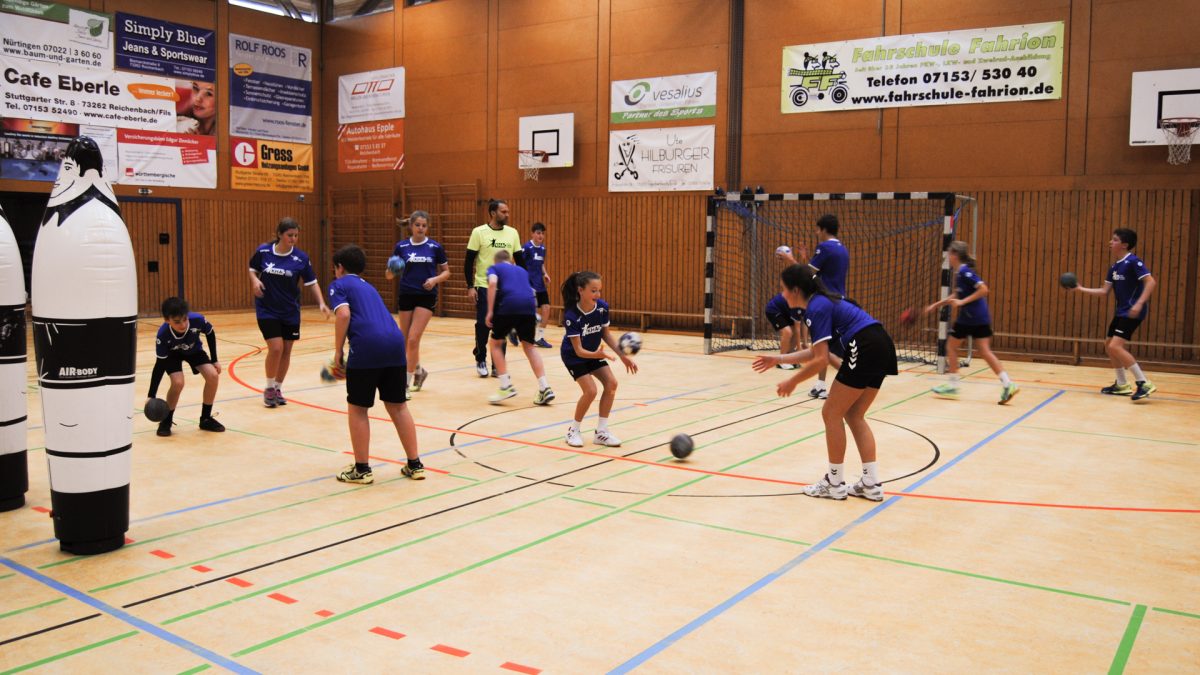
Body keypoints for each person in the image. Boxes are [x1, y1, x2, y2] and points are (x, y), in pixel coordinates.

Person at [752, 264, 897, 502]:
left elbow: (820, 360)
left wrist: (792, 381)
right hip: (881, 343)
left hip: (864, 345)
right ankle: (871, 483)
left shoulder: (816, 308)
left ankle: (834, 483)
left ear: (796, 290)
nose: (782, 295)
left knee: (831, 412)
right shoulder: (822, 303)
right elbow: (818, 353)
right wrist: (777, 358)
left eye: (783, 289)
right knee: (854, 415)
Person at [328, 245, 425, 485]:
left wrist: (338, 351)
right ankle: (415, 465)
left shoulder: (338, 285)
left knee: (358, 408)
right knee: (399, 407)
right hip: (395, 345)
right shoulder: (368, 286)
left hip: (367, 348)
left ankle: (361, 469)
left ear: (339, 268)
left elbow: (343, 315)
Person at [249, 217, 330, 407]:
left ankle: (278, 388)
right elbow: (252, 269)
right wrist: (254, 280)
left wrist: (321, 303)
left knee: (286, 351)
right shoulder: (264, 251)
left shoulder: (301, 258)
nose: (293, 239)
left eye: (296, 236)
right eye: (289, 235)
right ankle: (269, 388)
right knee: (275, 348)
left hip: (290, 311)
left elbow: (312, 283)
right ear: (279, 234)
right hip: (267, 309)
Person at [923, 241, 1018, 404]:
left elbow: (984, 289)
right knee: (985, 351)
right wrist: (936, 305)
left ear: (954, 255)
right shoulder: (960, 273)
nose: (947, 257)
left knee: (951, 347)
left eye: (949, 254)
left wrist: (962, 303)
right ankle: (1008, 383)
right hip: (980, 317)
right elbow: (956, 295)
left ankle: (953, 386)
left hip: (970, 317)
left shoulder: (965, 272)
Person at [1070, 228, 1157, 401]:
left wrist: (1139, 303)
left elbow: (1151, 282)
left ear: (1124, 245)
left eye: (1115, 240)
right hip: (1121, 311)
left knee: (1115, 346)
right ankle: (1122, 384)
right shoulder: (1115, 267)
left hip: (1132, 312)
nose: (1110, 242)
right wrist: (1080, 289)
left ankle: (1143, 382)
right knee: (1108, 343)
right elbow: (1104, 291)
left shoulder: (1133, 262)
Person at [560, 271, 637, 447]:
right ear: (580, 290)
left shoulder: (602, 308)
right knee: (590, 391)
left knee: (611, 383)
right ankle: (573, 431)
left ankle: (601, 433)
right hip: (574, 356)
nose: (598, 294)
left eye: (599, 290)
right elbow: (578, 351)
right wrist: (599, 355)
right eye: (593, 290)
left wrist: (623, 357)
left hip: (593, 353)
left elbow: (606, 335)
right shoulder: (572, 315)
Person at [386, 210, 449, 393]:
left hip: (426, 295)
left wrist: (435, 280)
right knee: (405, 341)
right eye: (417, 225)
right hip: (406, 294)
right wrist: (393, 270)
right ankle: (419, 371)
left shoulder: (435, 247)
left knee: (413, 339)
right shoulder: (401, 247)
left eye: (424, 225)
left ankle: (404, 383)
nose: (421, 228)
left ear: (427, 227)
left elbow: (446, 272)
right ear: (411, 227)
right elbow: (389, 275)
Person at [146, 297, 225, 437]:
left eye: (184, 319)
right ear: (167, 320)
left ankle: (206, 419)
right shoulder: (163, 335)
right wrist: (151, 395)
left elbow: (210, 332)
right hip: (172, 355)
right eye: (177, 322)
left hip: (194, 350)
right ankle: (166, 420)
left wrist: (215, 360)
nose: (182, 325)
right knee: (178, 383)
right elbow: (159, 366)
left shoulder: (197, 320)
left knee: (213, 375)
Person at [485, 250, 555, 405]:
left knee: (495, 343)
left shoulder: (494, 268)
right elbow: (531, 291)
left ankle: (505, 385)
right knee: (529, 347)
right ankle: (545, 387)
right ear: (510, 261)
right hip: (529, 307)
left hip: (509, 304)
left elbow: (492, 283)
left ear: (496, 261)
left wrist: (490, 311)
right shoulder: (521, 270)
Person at [464, 199, 523, 377]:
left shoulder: (513, 233)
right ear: (492, 213)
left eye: (507, 211)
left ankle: (498, 364)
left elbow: (520, 261)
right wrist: (470, 286)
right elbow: (468, 261)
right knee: (483, 324)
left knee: (502, 326)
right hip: (484, 285)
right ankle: (480, 358)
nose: (507, 215)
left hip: (506, 289)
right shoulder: (479, 233)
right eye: (503, 212)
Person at [795, 213, 850, 399]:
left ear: (824, 229)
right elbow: (818, 274)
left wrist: (791, 261)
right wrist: (805, 258)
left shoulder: (824, 247)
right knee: (826, 346)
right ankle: (821, 385)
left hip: (825, 302)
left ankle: (852, 380)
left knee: (822, 346)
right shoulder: (843, 249)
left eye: (818, 229)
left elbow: (808, 274)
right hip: (840, 300)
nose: (816, 232)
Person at [522, 222, 554, 348]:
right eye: (538, 233)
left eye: (542, 233)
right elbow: (518, 264)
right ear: (533, 233)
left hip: (540, 284)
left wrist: (545, 274)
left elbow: (541, 264)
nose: (541, 236)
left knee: (546, 308)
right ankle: (519, 332)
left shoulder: (542, 248)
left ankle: (539, 337)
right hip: (529, 284)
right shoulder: (526, 248)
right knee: (532, 313)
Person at [764, 292, 802, 370]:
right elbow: (798, 326)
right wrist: (799, 348)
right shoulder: (799, 299)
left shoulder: (807, 302)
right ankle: (781, 361)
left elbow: (802, 324)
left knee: (795, 332)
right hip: (774, 309)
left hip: (786, 312)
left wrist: (804, 342)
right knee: (788, 332)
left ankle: (789, 357)